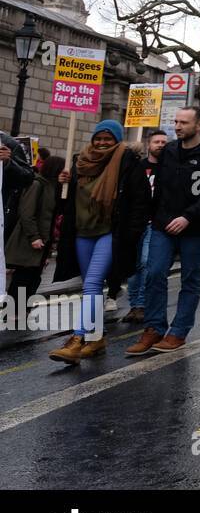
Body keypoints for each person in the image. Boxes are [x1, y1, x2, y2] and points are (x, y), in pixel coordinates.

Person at [127, 107, 200, 355]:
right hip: (163, 224)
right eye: (176, 121)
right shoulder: (169, 152)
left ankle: (178, 331)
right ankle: (153, 328)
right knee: (154, 273)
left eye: (184, 122)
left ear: (199, 125)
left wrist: (188, 216)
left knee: (190, 279)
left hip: (194, 227)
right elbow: (152, 182)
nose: (178, 126)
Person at [49, 121, 151, 363]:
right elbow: (65, 203)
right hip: (82, 232)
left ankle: (77, 339)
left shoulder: (128, 163)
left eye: (108, 138)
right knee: (90, 286)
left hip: (110, 232)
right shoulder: (79, 163)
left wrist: (131, 235)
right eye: (99, 138)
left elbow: (140, 201)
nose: (102, 142)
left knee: (93, 283)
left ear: (116, 140)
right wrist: (62, 184)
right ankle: (96, 339)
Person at [121, 130, 167, 324]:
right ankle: (133, 305)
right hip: (135, 223)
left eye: (164, 142)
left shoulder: (169, 169)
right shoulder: (138, 167)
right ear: (149, 144)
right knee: (132, 265)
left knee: (147, 262)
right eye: (157, 141)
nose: (161, 145)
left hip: (154, 224)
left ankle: (141, 305)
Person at [5, 155, 61, 311]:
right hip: (29, 239)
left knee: (33, 276)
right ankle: (14, 310)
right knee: (23, 275)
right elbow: (27, 212)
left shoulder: (53, 187)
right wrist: (34, 237)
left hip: (42, 239)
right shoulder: (37, 184)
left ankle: (23, 308)